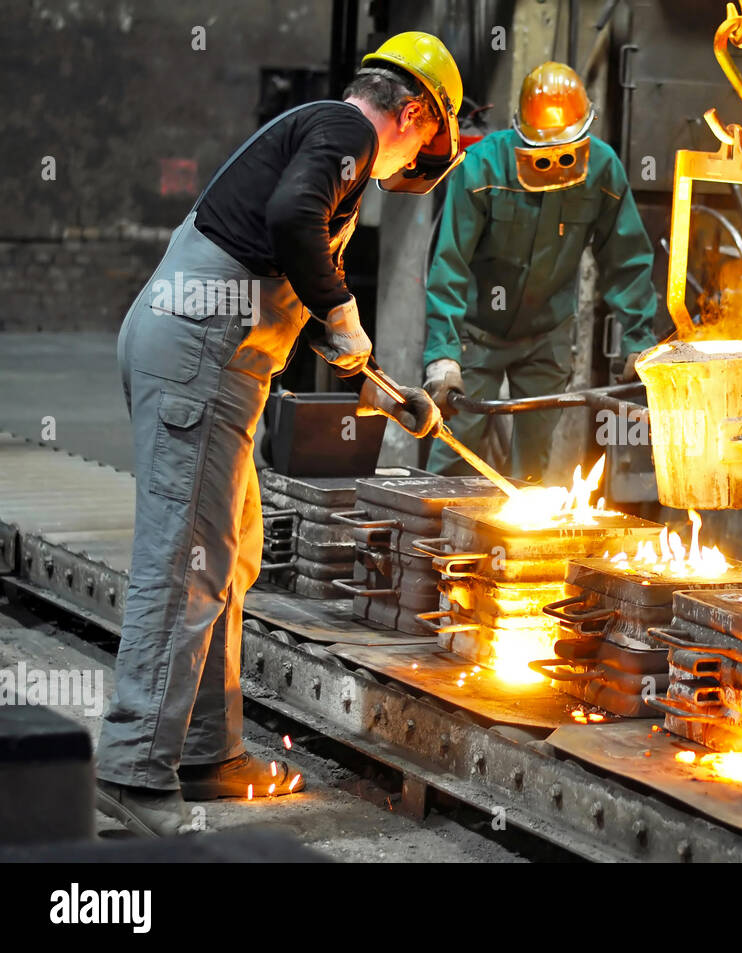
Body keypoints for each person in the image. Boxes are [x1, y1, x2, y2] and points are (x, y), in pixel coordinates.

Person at [96, 32, 462, 837]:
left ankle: (205, 750)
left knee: (230, 554)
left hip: (211, 360)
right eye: (426, 144)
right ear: (412, 113)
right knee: (184, 563)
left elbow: (284, 253)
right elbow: (291, 216)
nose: (413, 166)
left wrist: (365, 365)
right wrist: (339, 309)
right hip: (197, 356)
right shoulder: (348, 131)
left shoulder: (324, 137)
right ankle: (130, 770)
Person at [422, 61, 658, 481]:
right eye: (542, 157)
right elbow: (449, 263)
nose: (556, 165)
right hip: (478, 336)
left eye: (565, 153)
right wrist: (443, 353)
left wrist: (638, 339)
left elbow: (626, 259)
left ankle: (517, 547)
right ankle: (432, 540)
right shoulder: (479, 168)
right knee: (454, 457)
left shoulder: (602, 170)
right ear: (519, 136)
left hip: (547, 336)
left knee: (532, 471)